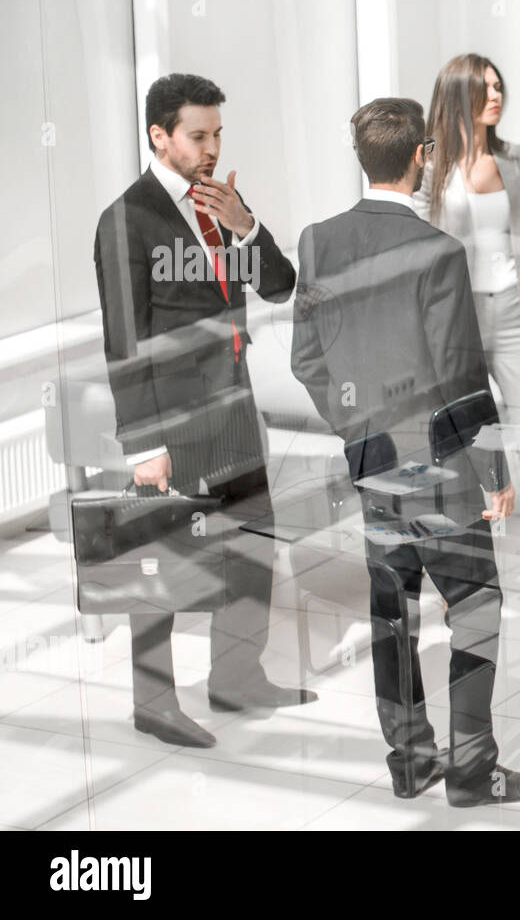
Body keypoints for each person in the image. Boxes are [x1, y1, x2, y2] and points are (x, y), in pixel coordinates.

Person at [292, 97, 520, 806]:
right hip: (439, 467)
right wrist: (494, 469)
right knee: (474, 602)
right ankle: (471, 771)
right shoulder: (438, 251)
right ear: (420, 158)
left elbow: (308, 361)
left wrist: (358, 430)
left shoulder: (317, 240)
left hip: (372, 462)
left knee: (394, 611)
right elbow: (459, 372)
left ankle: (409, 762)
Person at [92, 72, 315, 750]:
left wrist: (245, 225)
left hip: (234, 409)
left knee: (251, 546)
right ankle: (152, 703)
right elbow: (123, 342)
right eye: (198, 135)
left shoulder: (224, 202)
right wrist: (141, 445)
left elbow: (280, 286)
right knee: (162, 559)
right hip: (173, 420)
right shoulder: (126, 221)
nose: (212, 147)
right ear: (160, 136)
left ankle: (236, 677)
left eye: (217, 134)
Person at [412, 54, 520, 611]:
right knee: (461, 445)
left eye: (500, 87)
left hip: (512, 313)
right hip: (454, 322)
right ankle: (460, 568)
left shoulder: (514, 159)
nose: (496, 96)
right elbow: (414, 251)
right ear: (456, 95)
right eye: (484, 88)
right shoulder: (430, 166)